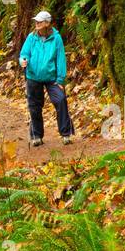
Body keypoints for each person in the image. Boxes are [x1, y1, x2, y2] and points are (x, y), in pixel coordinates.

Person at [18, 10, 75, 148]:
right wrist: (23, 60)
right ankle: (36, 135)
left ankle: (66, 134)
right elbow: (24, 53)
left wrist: (60, 80)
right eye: (36, 21)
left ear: (47, 23)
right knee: (34, 106)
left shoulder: (56, 38)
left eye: (40, 21)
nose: (37, 23)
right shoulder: (31, 37)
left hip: (52, 78)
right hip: (33, 76)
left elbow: (61, 59)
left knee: (60, 100)